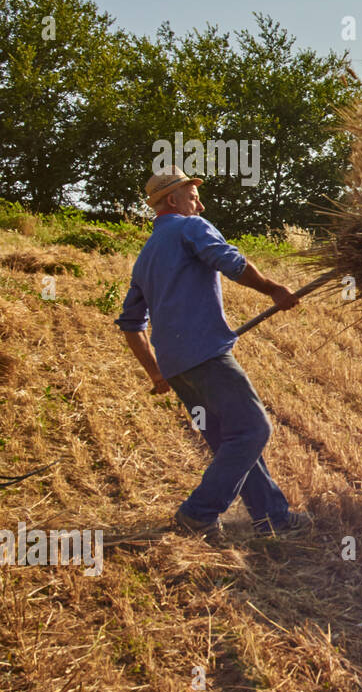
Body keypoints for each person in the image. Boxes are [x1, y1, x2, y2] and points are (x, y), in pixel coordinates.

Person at [116, 165, 310, 542]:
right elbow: (232, 263)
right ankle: (198, 513)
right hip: (206, 355)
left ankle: (272, 518)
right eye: (192, 196)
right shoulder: (190, 228)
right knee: (254, 429)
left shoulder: (145, 256)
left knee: (231, 440)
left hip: (176, 367)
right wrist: (273, 288)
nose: (200, 205)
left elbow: (130, 323)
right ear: (172, 200)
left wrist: (156, 373)